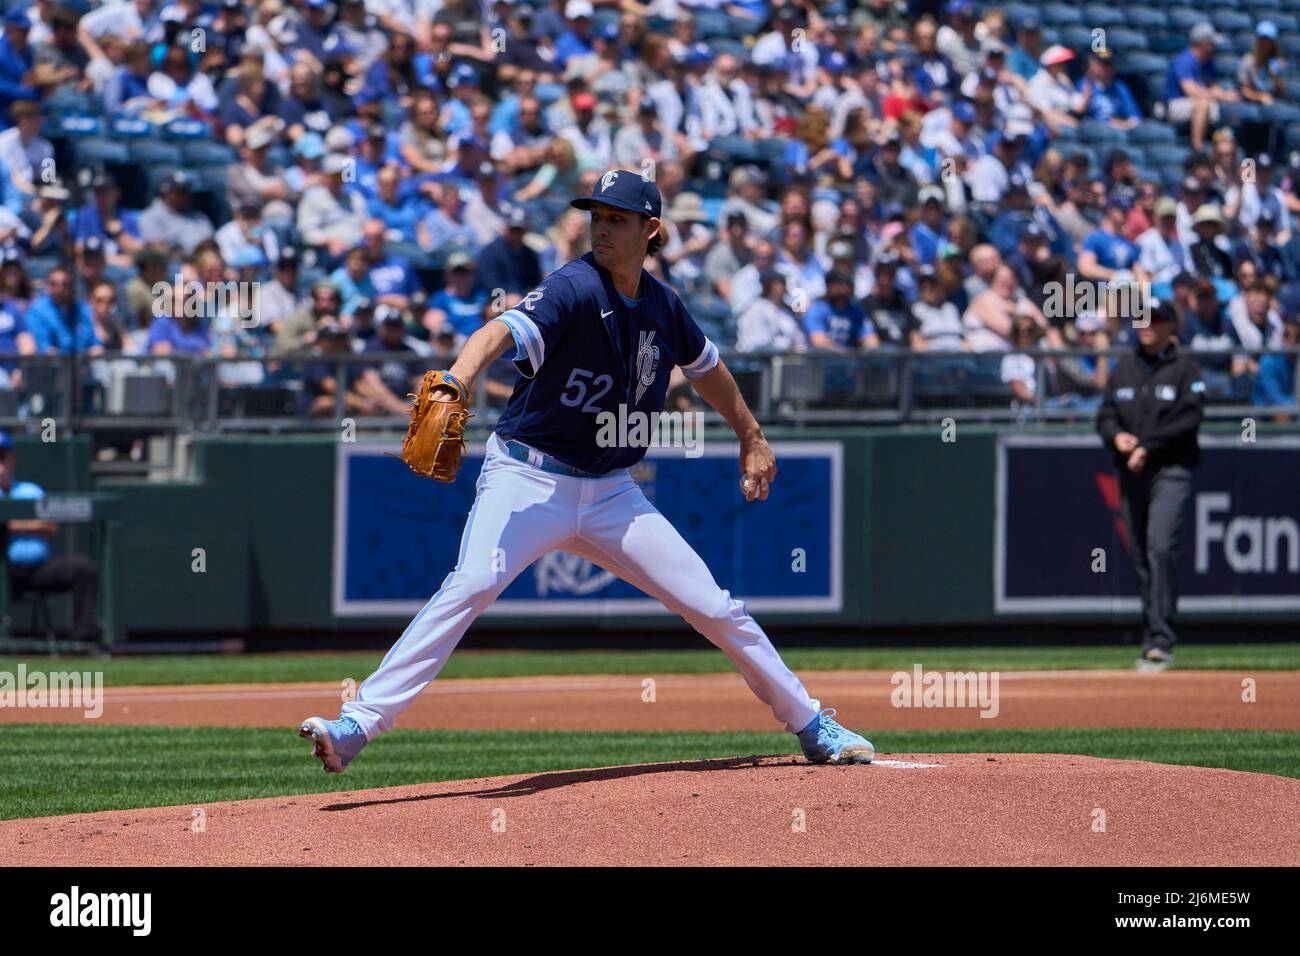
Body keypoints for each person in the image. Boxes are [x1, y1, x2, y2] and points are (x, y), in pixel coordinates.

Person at [299, 169, 876, 772]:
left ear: (651, 229)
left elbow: (707, 369)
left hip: (610, 493)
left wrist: (751, 436)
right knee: (470, 585)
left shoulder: (662, 305)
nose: (601, 228)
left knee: (713, 606)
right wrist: (458, 379)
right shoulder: (572, 287)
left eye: (617, 219)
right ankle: (357, 723)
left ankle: (812, 724)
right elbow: (499, 330)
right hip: (527, 477)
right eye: (597, 216)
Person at [1095, 301, 1206, 669]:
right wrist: (1118, 437)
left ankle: (1162, 639)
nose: (1146, 326)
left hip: (1170, 470)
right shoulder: (1124, 367)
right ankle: (1151, 635)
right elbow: (1106, 413)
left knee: (1160, 547)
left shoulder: (1184, 368)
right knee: (1142, 556)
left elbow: (1190, 417)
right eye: (1142, 319)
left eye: (1155, 320)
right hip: (1132, 472)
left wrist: (1147, 445)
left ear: (1170, 327)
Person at [0, 431, 101, 643]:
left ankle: (83, 641)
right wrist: (28, 524)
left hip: (37, 569)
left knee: (83, 568)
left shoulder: (30, 491)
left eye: (2, 456)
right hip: (4, 570)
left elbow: (51, 526)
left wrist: (14, 525)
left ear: (12, 458)